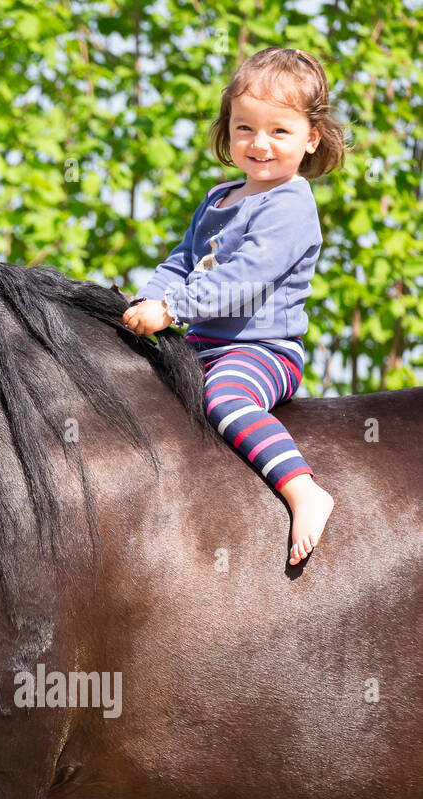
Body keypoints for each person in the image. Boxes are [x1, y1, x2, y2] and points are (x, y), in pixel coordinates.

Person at [121, 47, 345, 565]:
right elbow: (182, 261)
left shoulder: (290, 205)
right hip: (198, 346)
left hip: (262, 351)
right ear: (228, 130)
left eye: (279, 131)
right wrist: (145, 300)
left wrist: (172, 310)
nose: (259, 144)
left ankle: (303, 490)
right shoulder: (219, 198)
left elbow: (241, 281)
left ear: (311, 138)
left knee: (224, 400)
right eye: (245, 128)